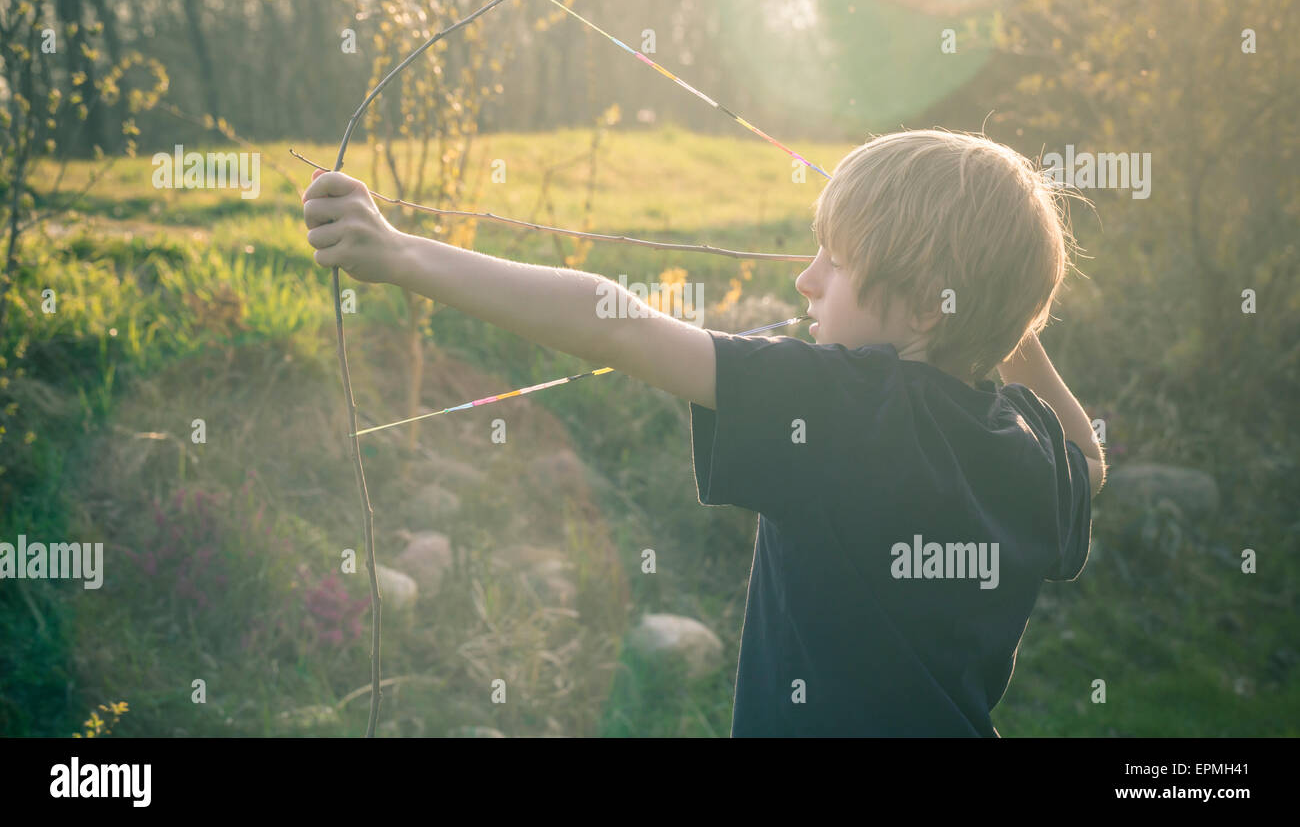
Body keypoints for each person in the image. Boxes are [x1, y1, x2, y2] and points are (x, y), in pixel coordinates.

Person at [301, 128, 1106, 736]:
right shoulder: (1025, 448)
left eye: (838, 260)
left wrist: (401, 254)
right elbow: (1090, 462)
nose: (807, 280)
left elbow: (616, 325)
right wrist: (1011, 327)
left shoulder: (848, 405)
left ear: (930, 306)